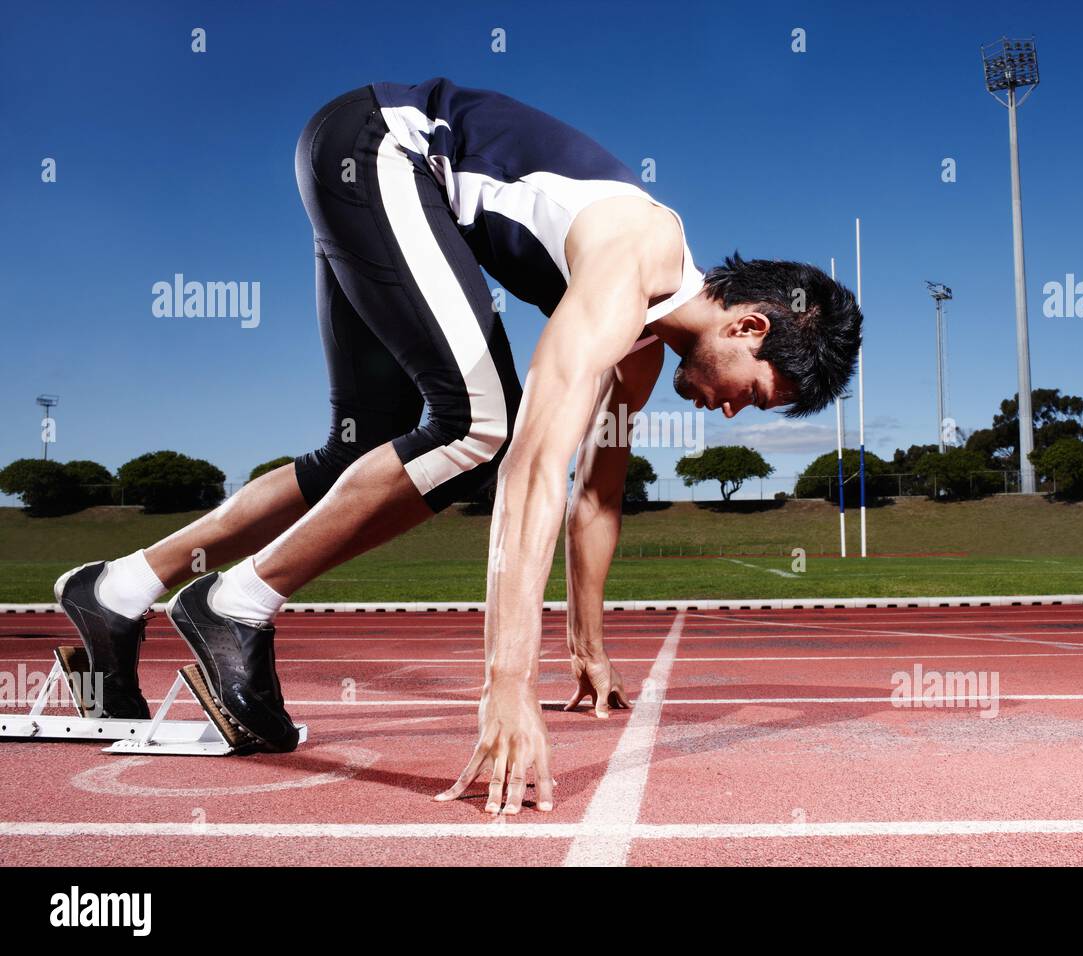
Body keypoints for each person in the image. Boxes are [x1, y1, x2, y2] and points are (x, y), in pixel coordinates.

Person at [54, 77, 862, 813]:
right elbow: (534, 465)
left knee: (363, 451)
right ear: (748, 325)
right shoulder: (633, 259)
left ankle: (121, 588)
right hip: (381, 150)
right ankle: (237, 605)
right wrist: (506, 684)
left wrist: (586, 647)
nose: (729, 412)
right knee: (483, 423)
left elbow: (595, 495)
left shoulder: (644, 353)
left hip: (373, 173)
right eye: (752, 392)